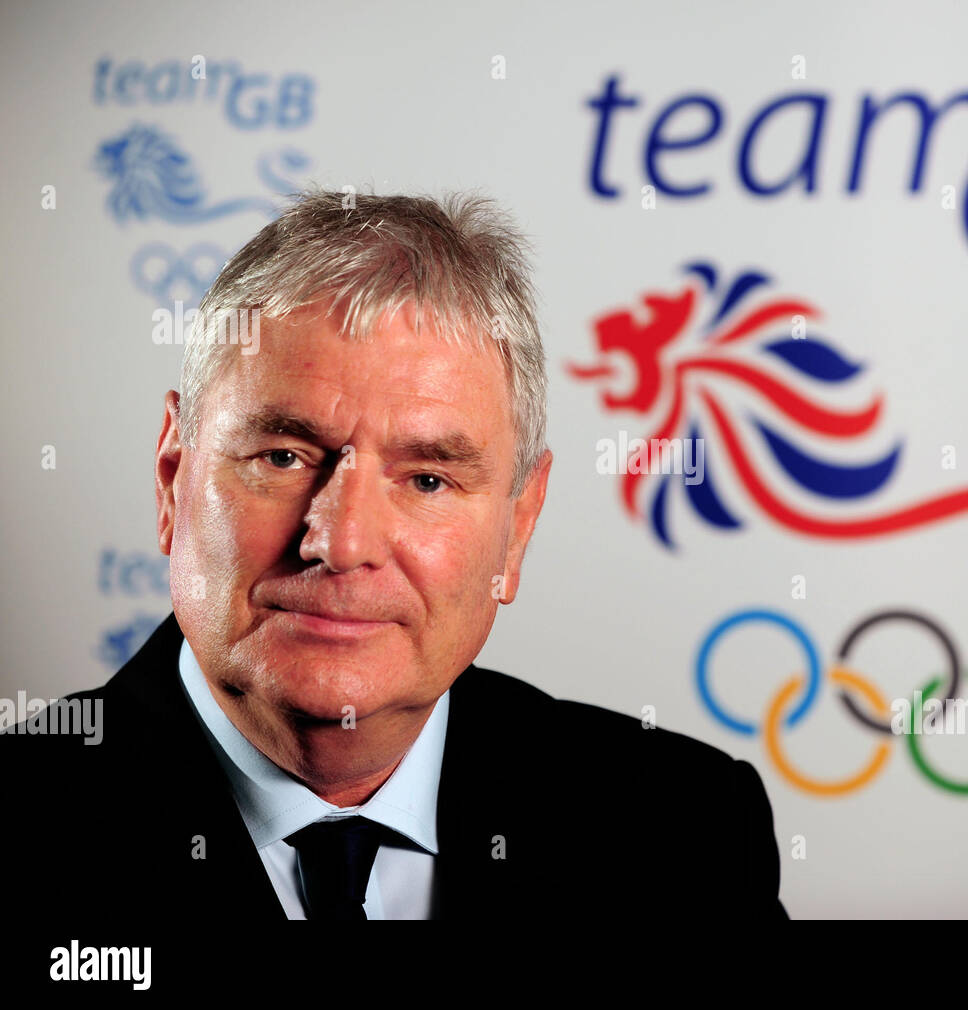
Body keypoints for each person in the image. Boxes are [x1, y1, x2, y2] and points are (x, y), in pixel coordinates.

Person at [2, 189, 787, 922]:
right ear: (174, 478)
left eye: (426, 478)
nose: (340, 545)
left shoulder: (688, 829)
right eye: (283, 457)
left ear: (518, 528)